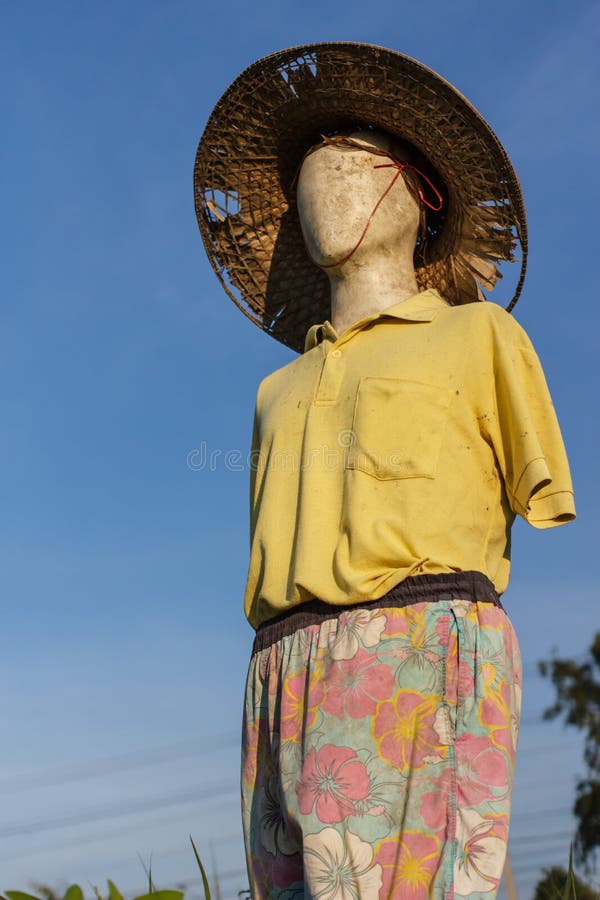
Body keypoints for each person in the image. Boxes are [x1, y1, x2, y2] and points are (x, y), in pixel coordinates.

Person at [194, 43, 576, 899]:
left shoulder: (481, 339)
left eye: (359, 166)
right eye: (313, 174)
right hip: (276, 666)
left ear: (417, 193)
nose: (330, 184)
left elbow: (535, 495)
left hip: (414, 646)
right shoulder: (273, 391)